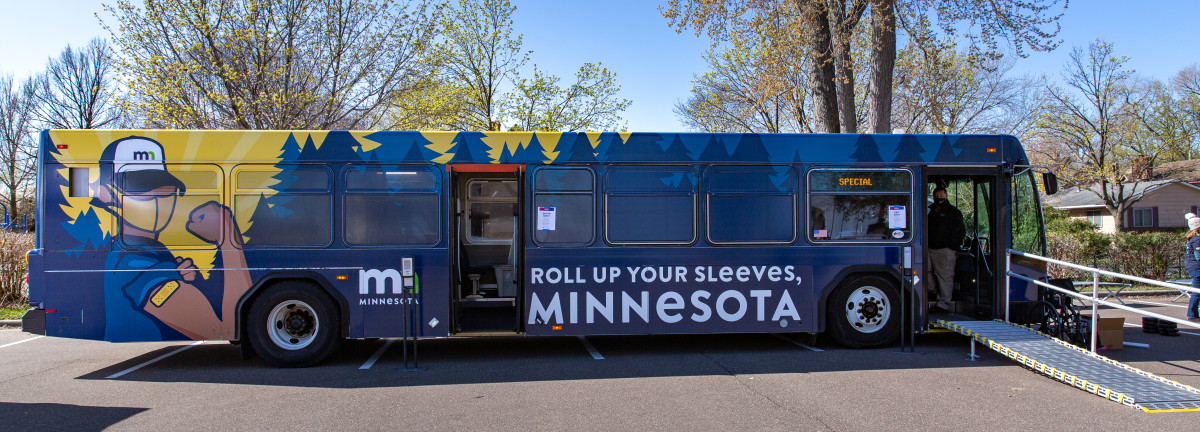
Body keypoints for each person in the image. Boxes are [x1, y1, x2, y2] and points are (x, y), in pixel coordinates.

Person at [927, 187, 965, 314]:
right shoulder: (931, 211)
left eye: (942, 195)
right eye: (937, 196)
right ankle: (933, 293)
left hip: (944, 250)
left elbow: (960, 232)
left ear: (946, 196)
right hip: (929, 249)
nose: (939, 198)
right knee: (925, 272)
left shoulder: (953, 212)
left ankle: (943, 304)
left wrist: (951, 246)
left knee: (944, 277)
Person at [1183, 213, 1200, 322]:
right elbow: (1199, 256)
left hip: (1193, 266)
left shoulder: (1192, 238)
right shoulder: (1197, 240)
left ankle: (1192, 314)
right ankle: (1192, 315)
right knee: (1197, 291)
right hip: (1197, 268)